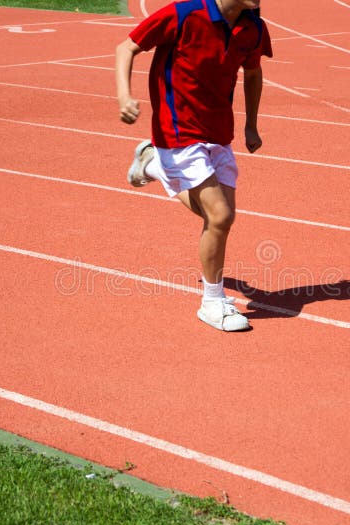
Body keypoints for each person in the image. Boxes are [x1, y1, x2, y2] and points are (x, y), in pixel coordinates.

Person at [115, 0, 272, 331]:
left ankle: (153, 167)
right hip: (177, 130)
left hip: (218, 133)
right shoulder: (183, 14)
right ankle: (212, 302)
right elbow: (126, 48)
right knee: (220, 216)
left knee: (215, 217)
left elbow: (254, 73)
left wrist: (252, 125)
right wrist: (124, 97)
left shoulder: (253, 28)